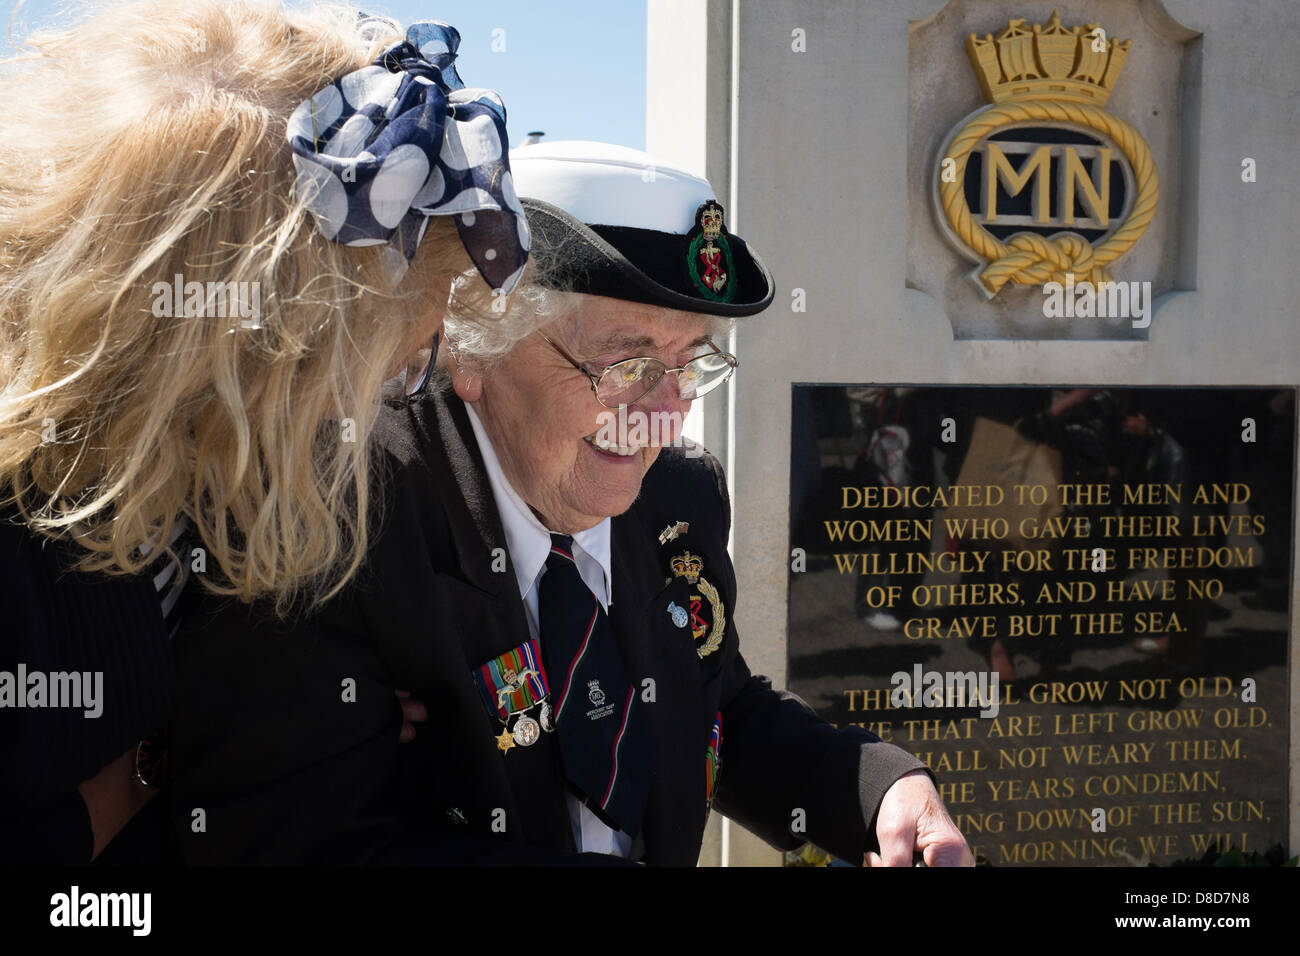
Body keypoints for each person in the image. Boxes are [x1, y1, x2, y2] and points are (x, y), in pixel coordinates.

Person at [172, 141, 972, 867]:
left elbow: (713, 702)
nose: (662, 415)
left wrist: (873, 790)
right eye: (624, 364)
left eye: (689, 363)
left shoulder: (677, 495)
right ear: (472, 346)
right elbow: (291, 840)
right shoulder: (333, 515)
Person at [0, 1, 527, 863]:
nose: (373, 405)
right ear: (251, 339)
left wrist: (318, 715)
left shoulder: (203, 455)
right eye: (386, 364)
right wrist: (154, 768)